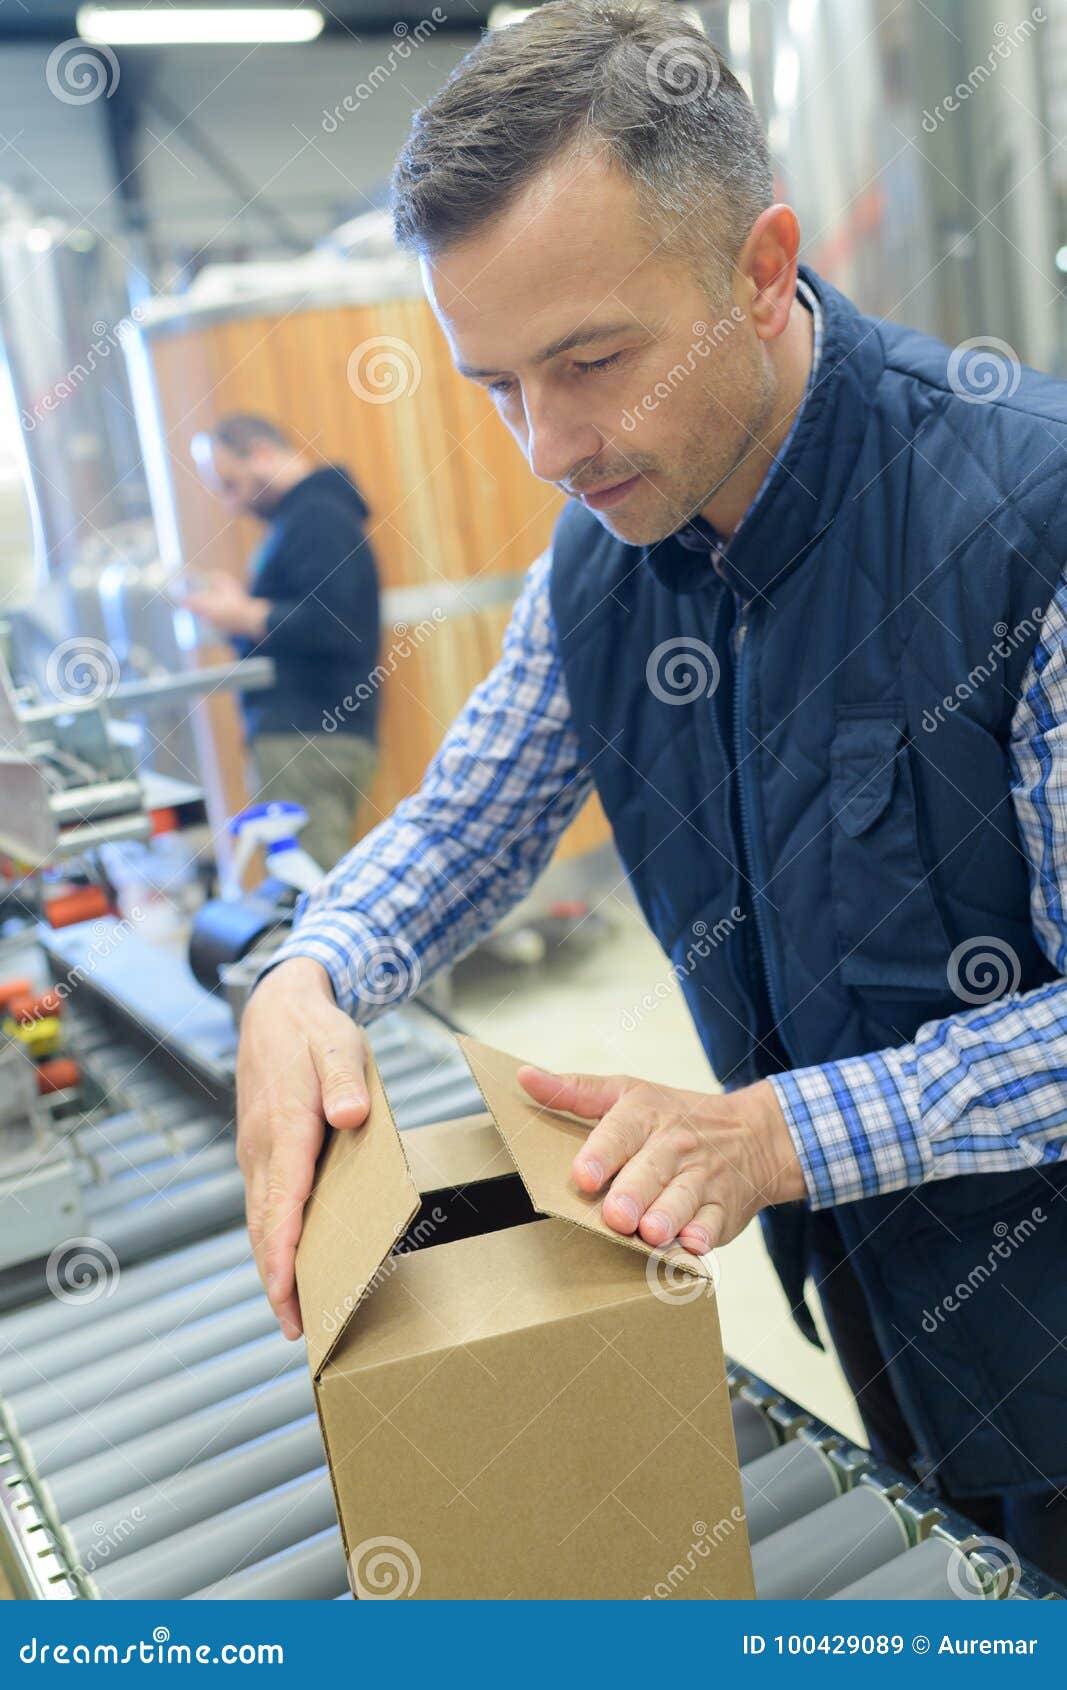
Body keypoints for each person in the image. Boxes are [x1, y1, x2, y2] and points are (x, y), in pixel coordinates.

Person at [236, 2, 1067, 1580]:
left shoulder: (1027, 519)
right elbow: (470, 817)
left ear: (759, 268)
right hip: (890, 1327)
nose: (545, 446)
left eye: (589, 362)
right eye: (494, 385)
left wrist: (774, 1135)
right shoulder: (604, 558)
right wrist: (307, 969)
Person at [186, 414, 380, 870]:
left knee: (311, 885)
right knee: (303, 878)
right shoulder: (306, 518)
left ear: (261, 455)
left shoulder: (317, 516)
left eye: (231, 484)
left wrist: (243, 614)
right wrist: (244, 611)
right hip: (307, 736)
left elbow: (333, 623)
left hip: (309, 736)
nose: (232, 504)